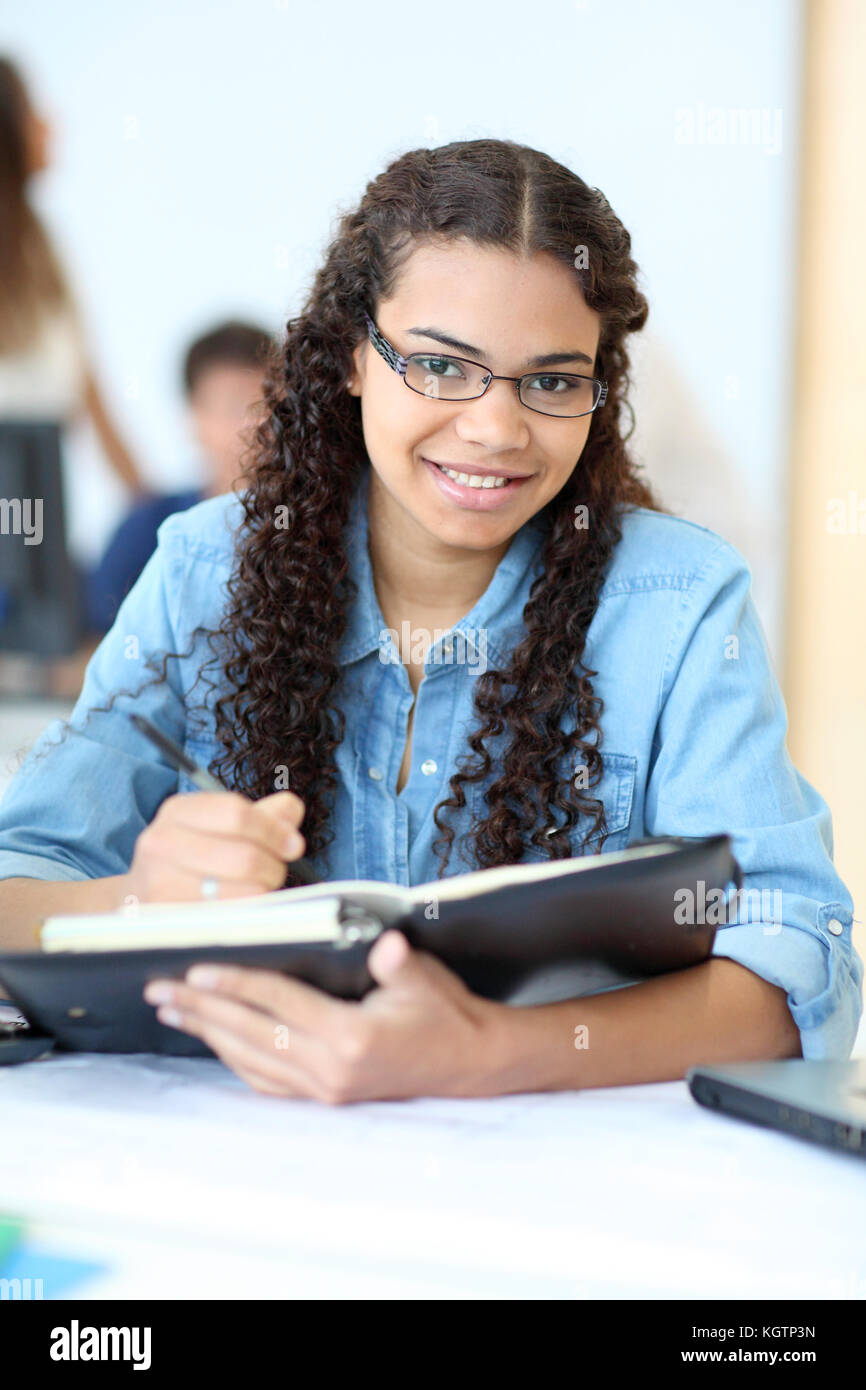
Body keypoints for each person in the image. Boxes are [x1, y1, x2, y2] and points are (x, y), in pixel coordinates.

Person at [0, 140, 859, 1104]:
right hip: (236, 1173)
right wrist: (136, 898)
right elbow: (14, 889)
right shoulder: (204, 568)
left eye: (552, 380)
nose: (497, 429)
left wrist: (483, 1051)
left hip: (567, 1190)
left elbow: (794, 969)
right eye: (444, 366)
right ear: (357, 357)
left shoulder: (681, 602)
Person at [0, 57, 147, 488]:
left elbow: (88, 388)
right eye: (31, 112)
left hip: (37, 475)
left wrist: (153, 513)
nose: (50, 125)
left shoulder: (41, 244)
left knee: (29, 546)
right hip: (15, 476)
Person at [84, 320, 272, 636]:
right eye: (236, 406)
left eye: (272, 403)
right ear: (194, 418)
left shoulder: (307, 523)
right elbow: (90, 647)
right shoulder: (148, 528)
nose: (259, 424)